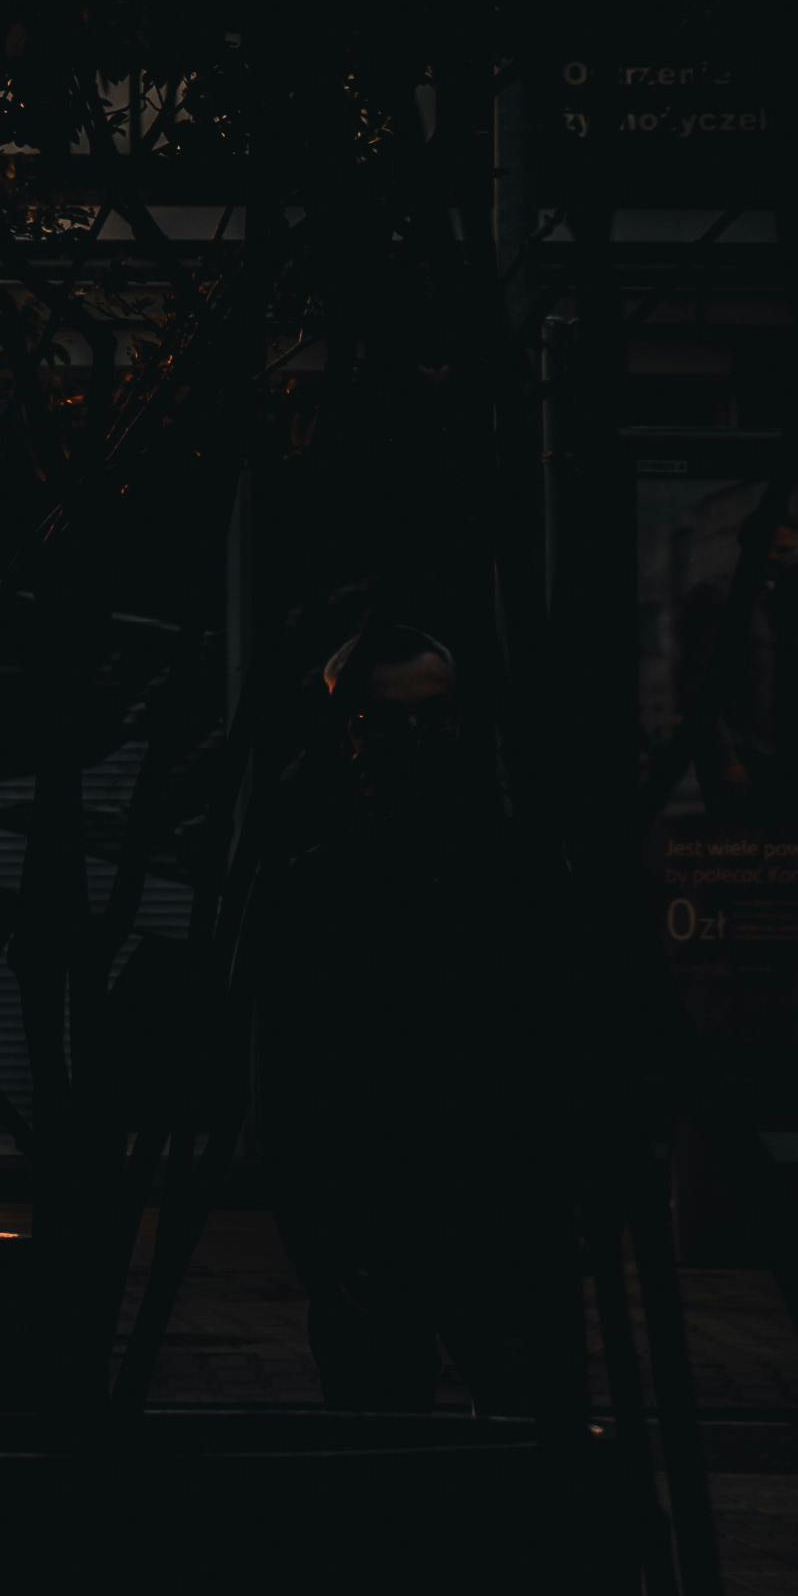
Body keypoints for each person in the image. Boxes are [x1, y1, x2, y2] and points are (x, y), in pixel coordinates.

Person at [243, 605, 571, 1418]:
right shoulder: (310, 870)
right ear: (350, 730)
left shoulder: (511, 858)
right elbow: (285, 1062)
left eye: (435, 715)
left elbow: (558, 1028)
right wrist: (320, 1238)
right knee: (385, 1423)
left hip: (492, 1201)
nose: (420, 737)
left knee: (515, 1411)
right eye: (388, 720)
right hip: (372, 1208)